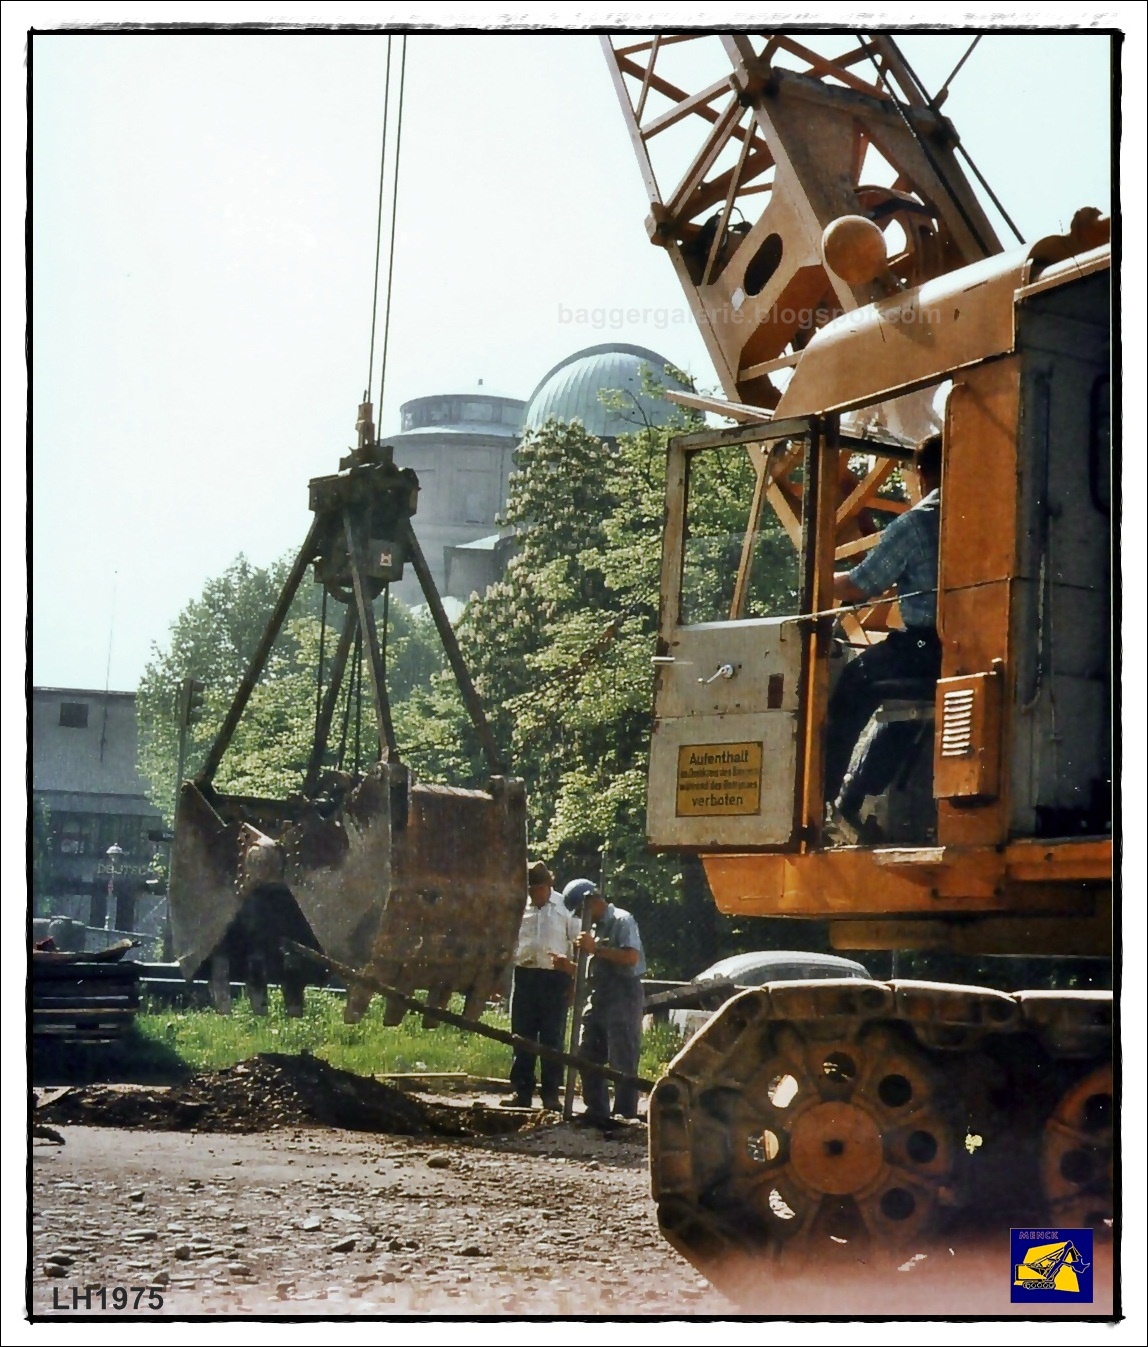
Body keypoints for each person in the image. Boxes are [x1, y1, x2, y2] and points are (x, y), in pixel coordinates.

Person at [824, 432, 943, 838]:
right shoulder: (984, 515)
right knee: (902, 711)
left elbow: (861, 585)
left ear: (922, 474)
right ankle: (853, 799)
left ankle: (822, 799)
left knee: (854, 685)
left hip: (927, 643)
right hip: (971, 645)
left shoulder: (917, 523)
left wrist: (821, 578)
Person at [563, 878, 647, 1126]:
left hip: (623, 994)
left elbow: (632, 957)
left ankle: (625, 1113)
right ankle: (597, 1110)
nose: (580, 916)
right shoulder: (595, 927)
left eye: (581, 910)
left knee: (622, 1056)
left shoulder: (622, 920)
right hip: (599, 995)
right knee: (587, 1052)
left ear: (593, 900)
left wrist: (596, 948)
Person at [503, 860, 580, 1110]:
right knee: (522, 1036)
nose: (534, 894)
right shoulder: (518, 907)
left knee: (552, 1038)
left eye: (537, 888)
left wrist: (572, 981)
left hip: (554, 979)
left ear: (549, 885)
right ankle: (522, 1092)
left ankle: (550, 1095)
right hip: (525, 975)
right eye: (530, 889)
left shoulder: (566, 908)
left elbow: (577, 946)